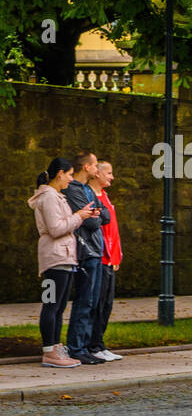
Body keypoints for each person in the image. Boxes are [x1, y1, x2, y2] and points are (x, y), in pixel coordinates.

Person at [27, 157, 93, 368]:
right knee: (51, 305)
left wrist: (79, 216)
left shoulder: (57, 197)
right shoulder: (49, 198)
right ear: (60, 174)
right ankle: (49, 351)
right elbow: (56, 228)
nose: (71, 179)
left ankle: (55, 348)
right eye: (70, 175)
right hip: (54, 259)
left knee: (59, 306)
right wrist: (79, 216)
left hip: (63, 258)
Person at [62, 152, 111, 366]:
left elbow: (105, 216)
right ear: (87, 167)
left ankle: (86, 346)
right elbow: (90, 223)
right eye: (94, 164)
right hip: (85, 251)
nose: (97, 168)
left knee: (92, 302)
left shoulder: (86, 190)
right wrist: (97, 215)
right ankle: (77, 347)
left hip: (96, 250)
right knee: (85, 301)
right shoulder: (73, 190)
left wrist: (96, 214)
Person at [86, 159, 123, 361]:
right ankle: (92, 345)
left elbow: (113, 228)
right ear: (97, 173)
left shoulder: (105, 196)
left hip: (110, 256)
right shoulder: (90, 196)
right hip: (99, 256)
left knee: (106, 303)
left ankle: (99, 343)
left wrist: (117, 253)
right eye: (108, 173)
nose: (112, 177)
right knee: (97, 303)